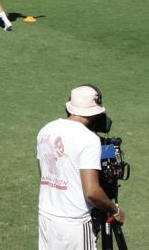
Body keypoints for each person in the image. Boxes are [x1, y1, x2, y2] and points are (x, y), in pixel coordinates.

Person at [37, 85, 124, 249]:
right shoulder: (89, 139)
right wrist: (114, 209)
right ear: (96, 113)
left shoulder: (46, 130)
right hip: (73, 223)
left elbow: (44, 173)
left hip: (46, 218)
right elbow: (92, 192)